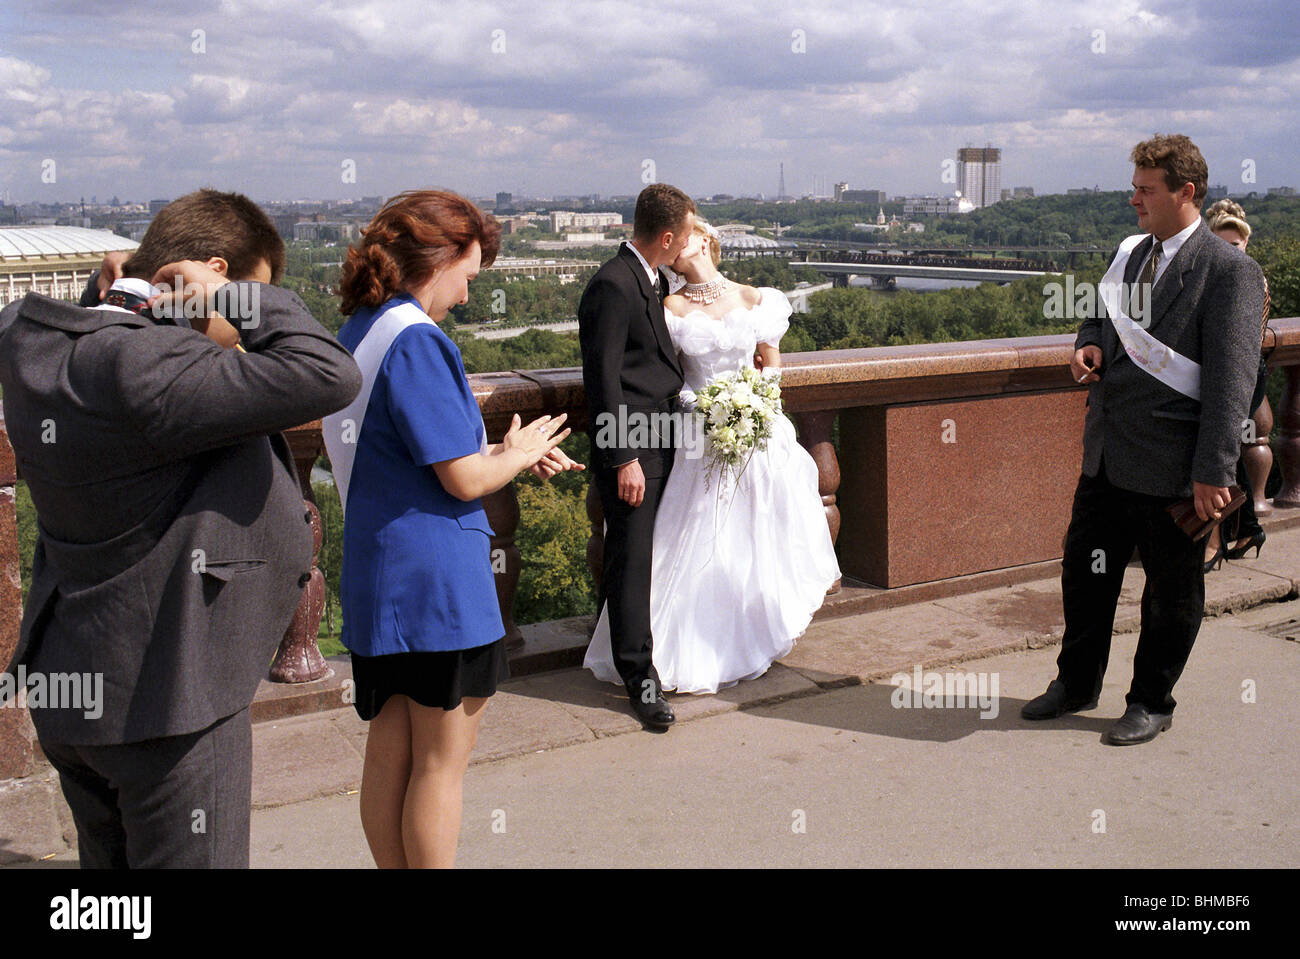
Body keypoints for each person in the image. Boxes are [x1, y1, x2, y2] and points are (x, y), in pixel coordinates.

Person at [0, 188, 362, 866]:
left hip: (73, 690)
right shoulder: (154, 367)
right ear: (212, 274)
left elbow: (86, 334)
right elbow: (328, 373)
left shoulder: (27, 336)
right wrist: (232, 299)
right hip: (169, 697)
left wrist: (108, 291)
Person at [322, 190, 580, 869]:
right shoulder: (419, 341)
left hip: (382, 575)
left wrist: (504, 451)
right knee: (441, 765)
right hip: (438, 583)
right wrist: (513, 457)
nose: (466, 296)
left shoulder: (361, 329)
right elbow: (461, 482)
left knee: (390, 751)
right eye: (467, 274)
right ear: (435, 260)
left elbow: (406, 458)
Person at [1021, 135, 1268, 745]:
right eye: (1134, 187)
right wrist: (1091, 342)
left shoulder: (1229, 271)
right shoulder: (1133, 255)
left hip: (1175, 468)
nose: (1133, 200)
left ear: (1186, 192)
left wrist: (1215, 470)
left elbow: (1233, 383)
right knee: (1085, 575)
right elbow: (1102, 316)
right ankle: (1076, 683)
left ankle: (1151, 699)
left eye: (1145, 189)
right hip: (1107, 455)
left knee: (1170, 592)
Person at [584, 220, 840, 693]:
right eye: (675, 241)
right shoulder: (668, 308)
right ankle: (682, 649)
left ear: (705, 240)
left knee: (752, 538)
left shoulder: (758, 298)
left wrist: (756, 407)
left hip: (755, 435)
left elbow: (771, 363)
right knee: (697, 539)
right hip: (697, 439)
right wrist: (709, 412)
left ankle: (750, 635)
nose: (682, 246)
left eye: (690, 236)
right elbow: (664, 375)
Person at [578, 183, 694, 729]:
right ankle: (639, 683)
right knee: (630, 565)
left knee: (645, 559)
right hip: (634, 447)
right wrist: (623, 457)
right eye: (687, 233)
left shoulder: (648, 279)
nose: (690, 242)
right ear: (668, 236)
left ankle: (640, 657)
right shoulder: (611, 285)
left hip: (664, 439)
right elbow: (602, 382)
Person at [1200, 199, 1270, 570]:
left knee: (1222, 451)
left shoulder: (1250, 279)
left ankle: (1214, 538)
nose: (1230, 251)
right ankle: (1248, 527)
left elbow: (1239, 341)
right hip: (1233, 373)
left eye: (1236, 245)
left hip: (1242, 375)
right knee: (1232, 450)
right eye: (1222, 245)